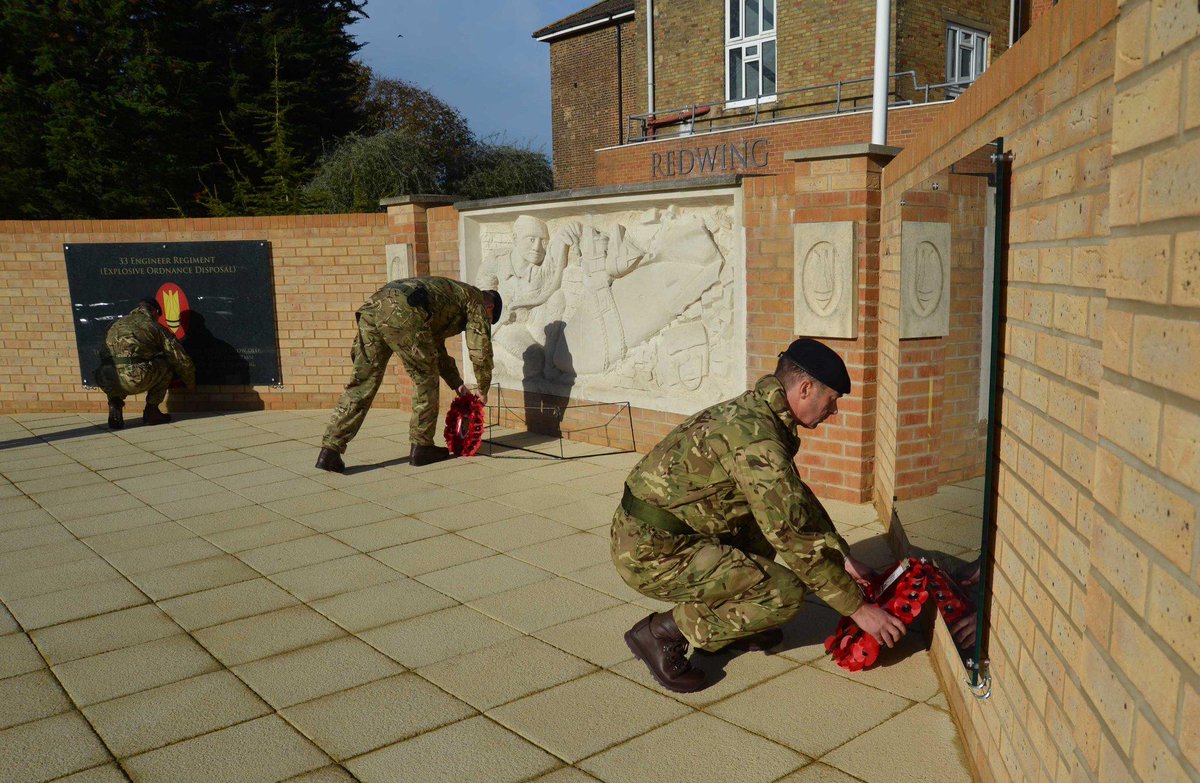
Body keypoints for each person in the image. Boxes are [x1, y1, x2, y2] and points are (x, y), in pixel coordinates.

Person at [612, 338, 907, 692]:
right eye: (832, 400)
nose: (834, 412)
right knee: (784, 594)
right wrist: (857, 609)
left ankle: (742, 620)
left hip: (667, 531)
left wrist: (842, 558)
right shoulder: (758, 441)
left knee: (762, 524)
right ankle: (662, 632)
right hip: (650, 551)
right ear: (806, 388)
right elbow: (792, 536)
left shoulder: (758, 413)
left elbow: (796, 503)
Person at [315, 276, 501, 472]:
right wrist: (483, 387)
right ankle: (422, 446)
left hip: (374, 307)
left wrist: (457, 383)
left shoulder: (452, 295)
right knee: (425, 379)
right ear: (490, 308)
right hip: (404, 311)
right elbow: (480, 350)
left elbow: (434, 347)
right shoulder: (476, 301)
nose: (485, 322)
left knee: (362, 382)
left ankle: (330, 450)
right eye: (488, 321)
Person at [94, 298, 196, 430]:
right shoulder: (154, 326)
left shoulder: (114, 324)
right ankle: (152, 412)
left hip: (105, 379)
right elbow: (179, 358)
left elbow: (102, 353)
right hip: (135, 378)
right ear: (156, 312)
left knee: (112, 368)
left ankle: (115, 403)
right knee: (167, 365)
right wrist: (190, 382)